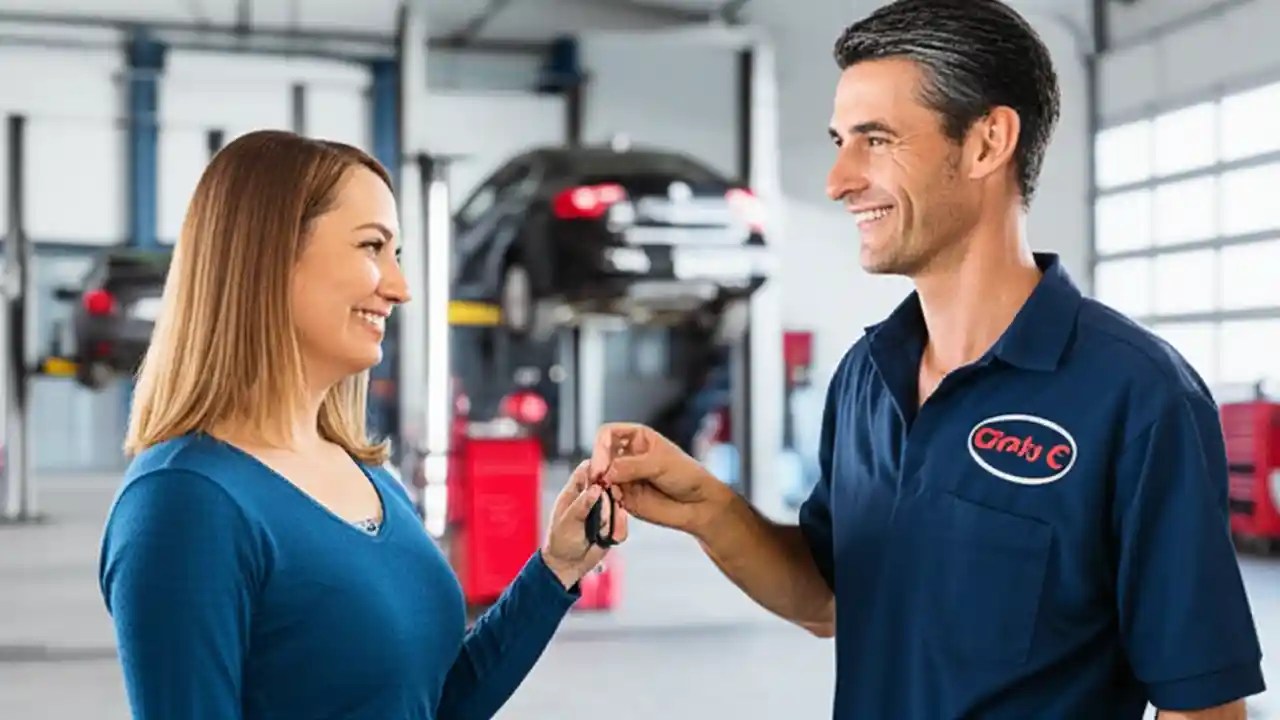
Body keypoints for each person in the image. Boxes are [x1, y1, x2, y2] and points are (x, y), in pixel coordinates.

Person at [587, 1, 1265, 718]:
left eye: (876, 140)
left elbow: (1204, 707)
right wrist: (709, 508)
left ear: (987, 143)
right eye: (840, 141)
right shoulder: (866, 377)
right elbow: (828, 597)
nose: (838, 179)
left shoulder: (1137, 396)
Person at [98, 130, 627, 720]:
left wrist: (557, 568)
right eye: (372, 247)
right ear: (270, 257)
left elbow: (431, 704)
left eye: (396, 254)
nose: (398, 288)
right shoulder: (187, 502)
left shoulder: (369, 476)